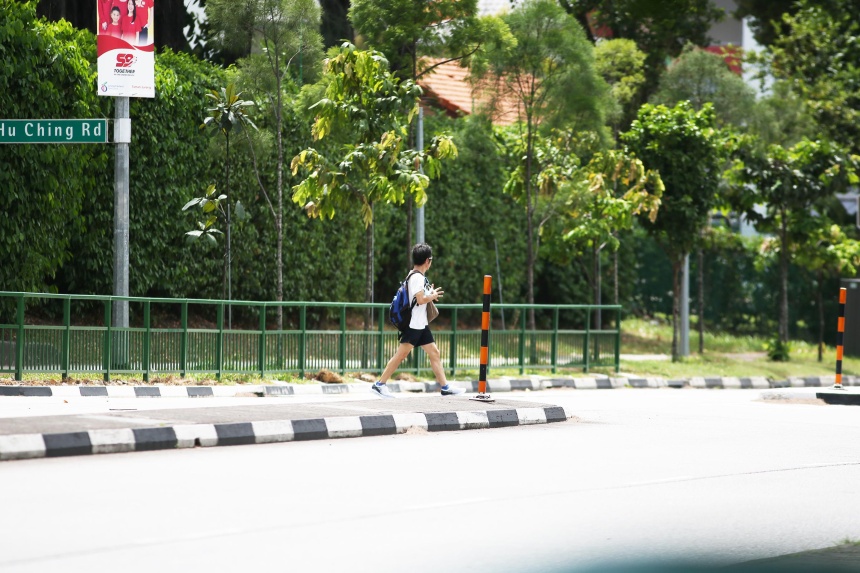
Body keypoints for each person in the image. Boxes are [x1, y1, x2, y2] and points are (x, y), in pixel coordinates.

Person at [371, 243, 465, 398]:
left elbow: (418, 298)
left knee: (434, 352)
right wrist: (432, 296)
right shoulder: (417, 277)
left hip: (420, 324)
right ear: (428, 261)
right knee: (400, 355)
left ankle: (445, 387)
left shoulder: (414, 275)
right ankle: (379, 385)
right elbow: (420, 300)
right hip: (413, 325)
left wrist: (430, 293)